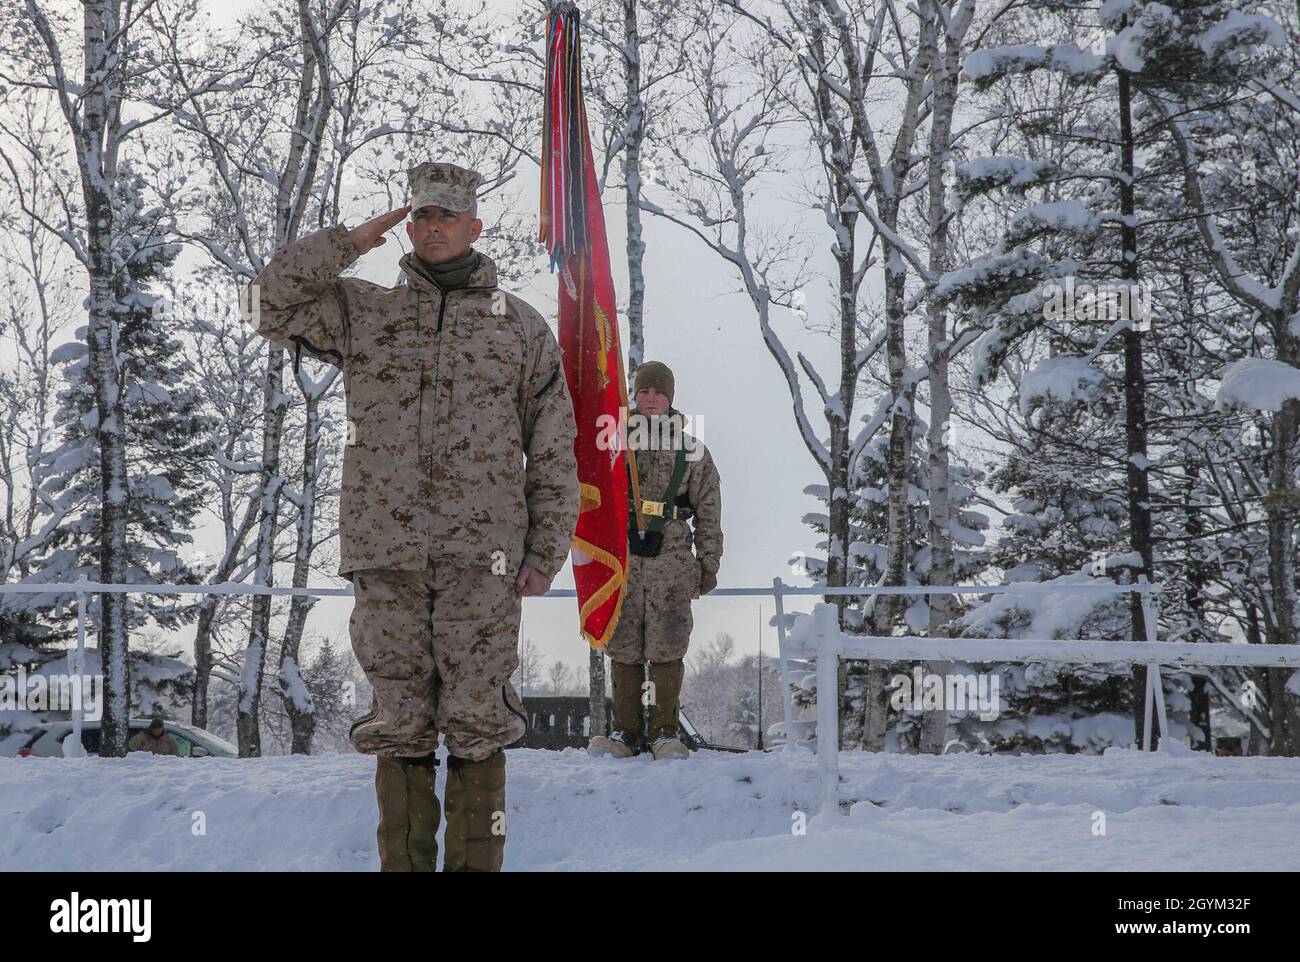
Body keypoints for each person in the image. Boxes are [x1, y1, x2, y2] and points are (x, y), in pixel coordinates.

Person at [246, 161, 579, 872]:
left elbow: (553, 445)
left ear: (474, 227)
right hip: (388, 555)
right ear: (410, 221)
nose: (433, 228)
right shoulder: (368, 312)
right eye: (423, 215)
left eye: (448, 217)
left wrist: (545, 550)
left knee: (478, 722)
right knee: (400, 726)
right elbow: (265, 303)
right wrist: (348, 242)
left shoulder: (518, 326)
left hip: (483, 562)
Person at [589, 361, 723, 760]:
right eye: (644, 392)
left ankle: (665, 733)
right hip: (623, 560)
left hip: (672, 560)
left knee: (667, 644)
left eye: (658, 392)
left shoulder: (692, 449)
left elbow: (710, 509)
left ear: (670, 398)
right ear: (635, 395)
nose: (651, 399)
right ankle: (625, 734)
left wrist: (709, 562)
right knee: (623, 644)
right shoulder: (613, 443)